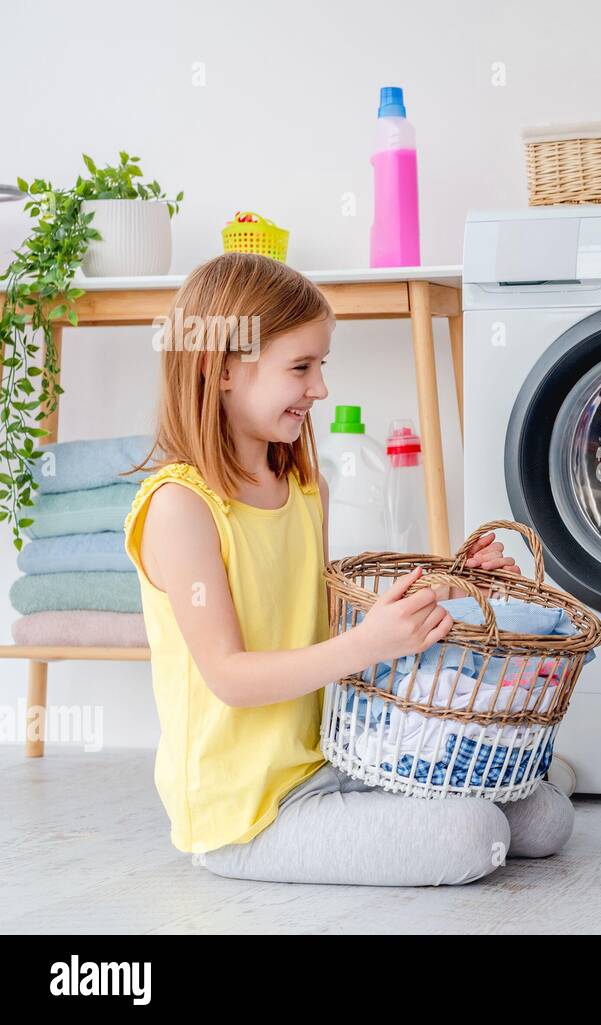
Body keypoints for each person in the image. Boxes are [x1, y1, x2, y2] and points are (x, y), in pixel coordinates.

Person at [122, 252, 573, 886]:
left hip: (336, 753)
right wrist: (365, 646)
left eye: (320, 365)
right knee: (478, 833)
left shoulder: (304, 488)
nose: (320, 388)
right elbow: (230, 677)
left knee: (545, 820)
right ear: (220, 369)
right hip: (251, 814)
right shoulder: (181, 509)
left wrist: (450, 583)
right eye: (301, 367)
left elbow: (322, 616)